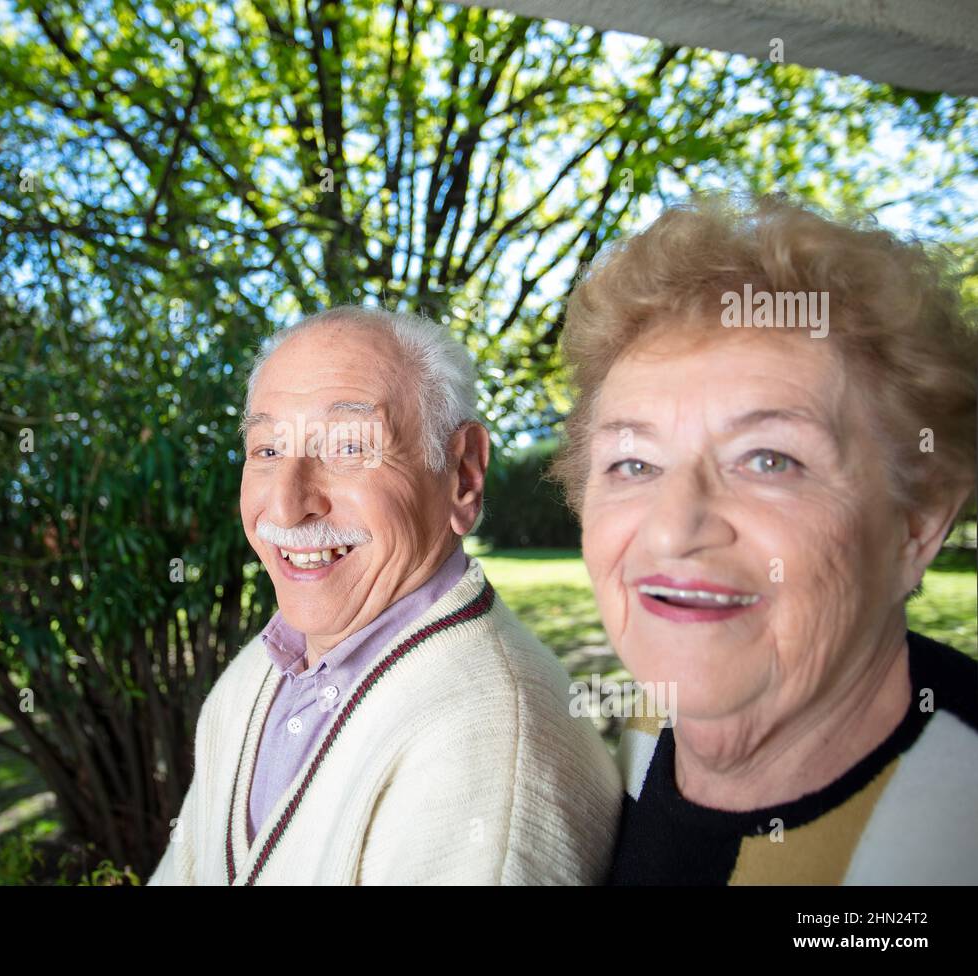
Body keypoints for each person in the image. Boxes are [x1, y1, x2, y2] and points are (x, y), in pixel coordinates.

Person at [550, 194, 978, 884]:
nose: (672, 527)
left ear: (917, 523)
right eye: (633, 463)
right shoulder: (647, 723)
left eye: (769, 460)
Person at [149, 305, 620, 884]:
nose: (287, 504)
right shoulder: (258, 674)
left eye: (348, 446)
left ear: (463, 476)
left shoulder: (487, 754)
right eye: (268, 450)